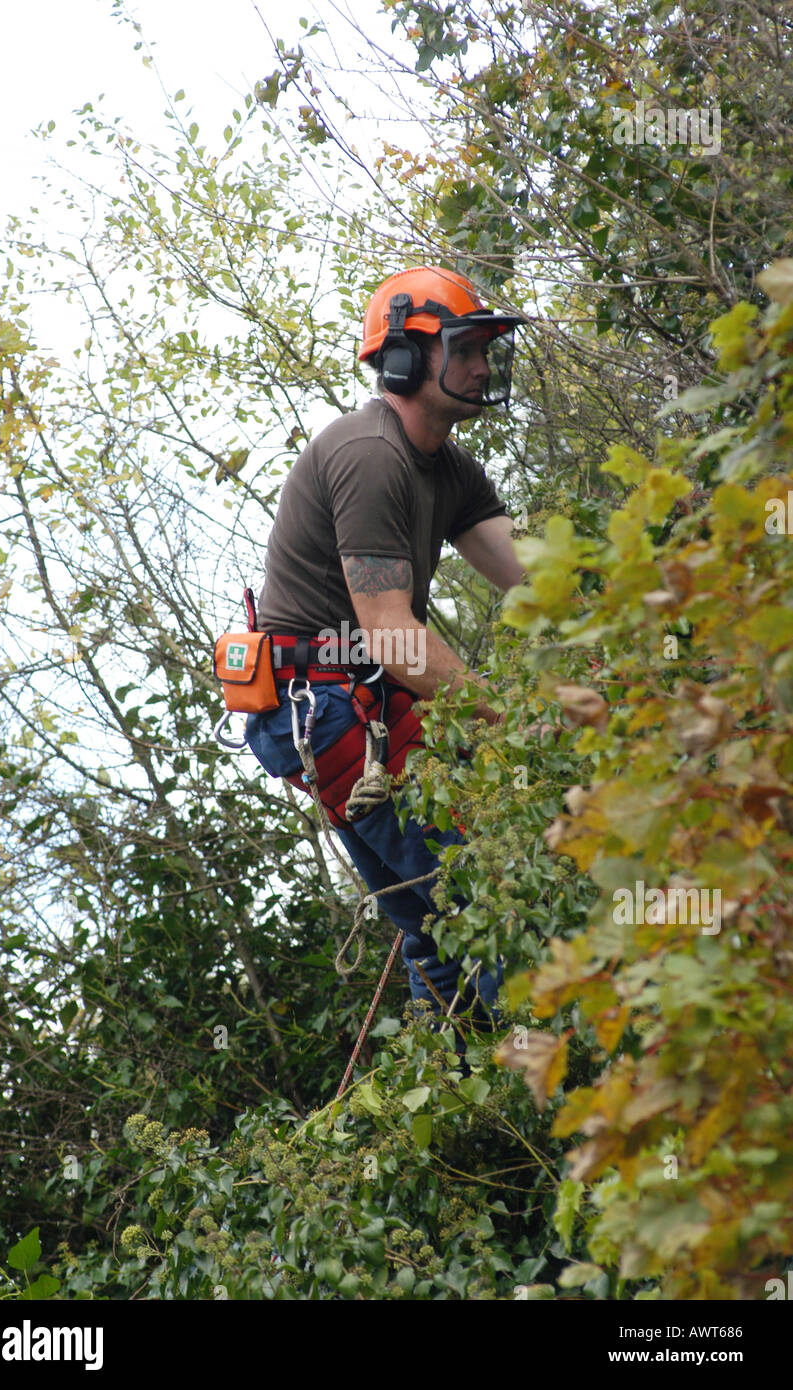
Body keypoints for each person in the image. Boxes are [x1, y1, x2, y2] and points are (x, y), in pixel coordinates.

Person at [245, 266, 525, 1024]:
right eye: (466, 347)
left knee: (432, 918)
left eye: (486, 349)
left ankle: (454, 1082)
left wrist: (638, 594)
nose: (481, 365)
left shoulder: (447, 467)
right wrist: (512, 718)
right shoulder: (371, 455)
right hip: (329, 709)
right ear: (403, 358)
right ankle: (562, 1090)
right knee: (478, 900)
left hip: (359, 700)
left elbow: (535, 579)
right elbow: (396, 639)